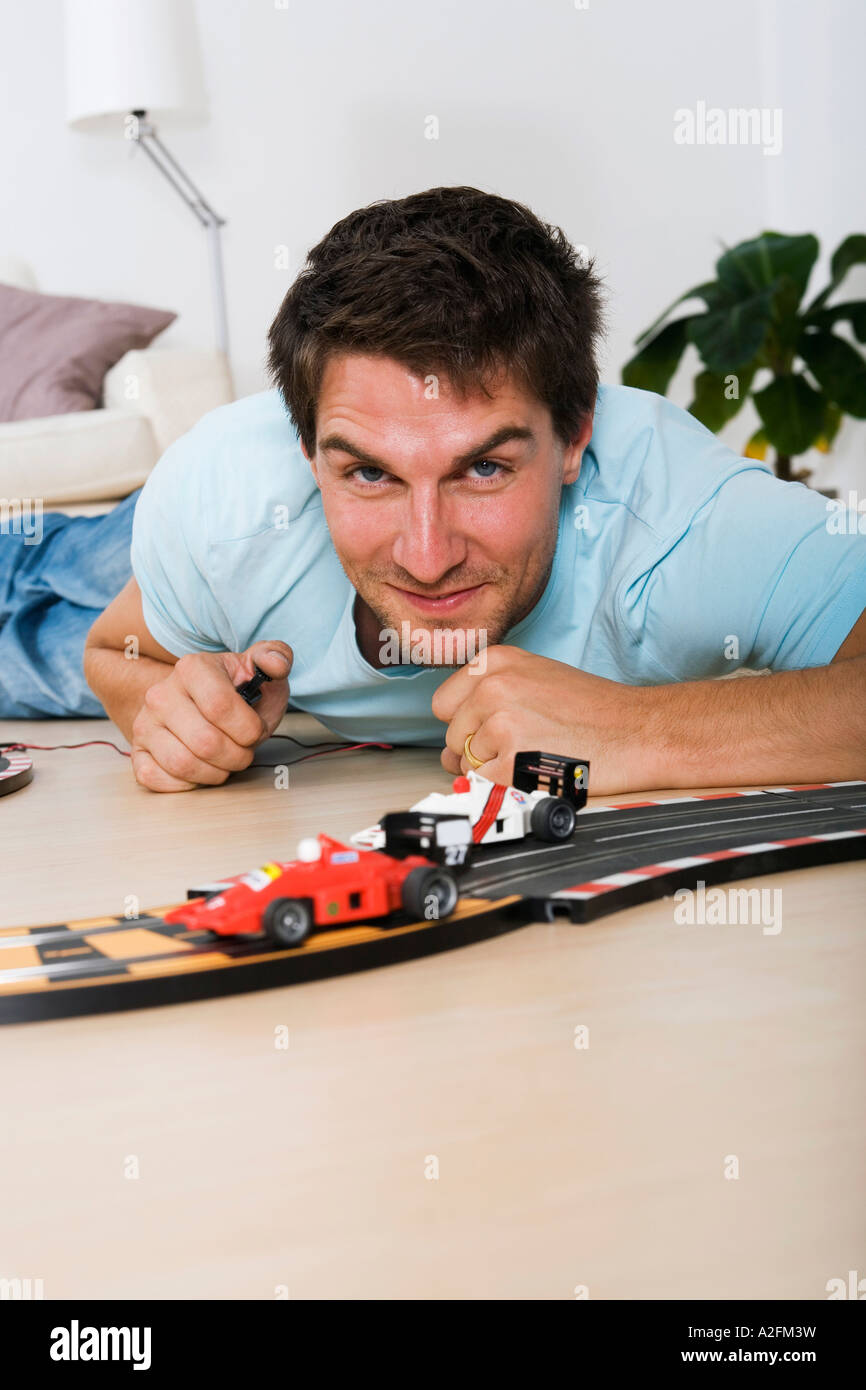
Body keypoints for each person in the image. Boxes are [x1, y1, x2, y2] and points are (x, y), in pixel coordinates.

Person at [7, 186, 866, 792]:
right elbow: (116, 651)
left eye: (484, 468)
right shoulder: (226, 493)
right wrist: (173, 711)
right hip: (139, 536)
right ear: (306, 451)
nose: (427, 556)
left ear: (575, 439)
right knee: (36, 593)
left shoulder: (683, 522)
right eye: (370, 472)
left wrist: (634, 734)